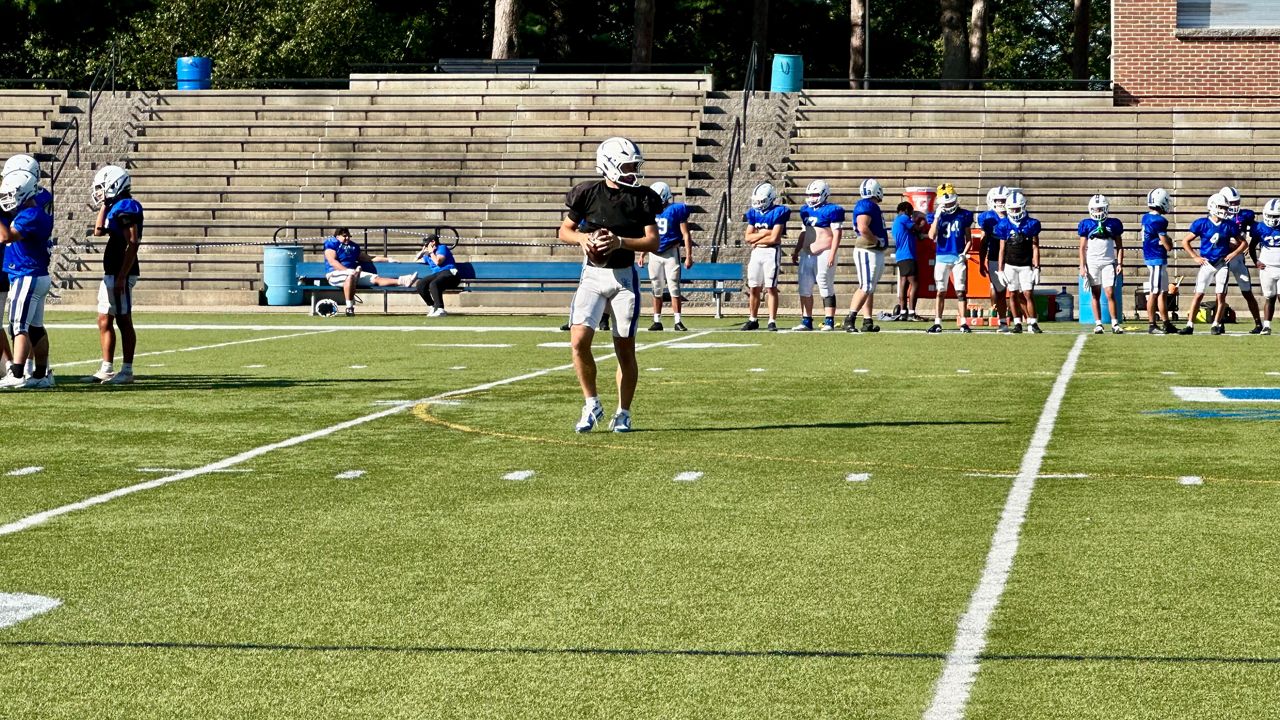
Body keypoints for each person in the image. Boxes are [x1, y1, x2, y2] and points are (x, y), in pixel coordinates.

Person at [558, 136, 661, 433]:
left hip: (624, 279)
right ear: (609, 166)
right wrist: (583, 239)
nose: (633, 172)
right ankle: (591, 403)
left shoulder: (642, 197)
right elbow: (565, 230)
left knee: (624, 350)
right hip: (592, 275)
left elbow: (652, 241)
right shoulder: (587, 193)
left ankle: (623, 411)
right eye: (628, 166)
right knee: (578, 341)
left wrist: (620, 242)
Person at [88, 165, 146, 384]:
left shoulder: (127, 206)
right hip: (111, 271)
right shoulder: (114, 205)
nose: (99, 192)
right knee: (104, 320)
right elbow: (98, 231)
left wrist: (123, 275)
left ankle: (127, 369)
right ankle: (107, 368)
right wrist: (103, 205)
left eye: (103, 188)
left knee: (123, 320)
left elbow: (133, 242)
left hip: (122, 270)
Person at [0, 169, 54, 389]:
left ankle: (17, 372)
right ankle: (41, 374)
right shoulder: (34, 213)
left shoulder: (30, 215)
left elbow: (5, 237)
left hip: (27, 275)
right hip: (36, 275)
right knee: (35, 327)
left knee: (18, 325)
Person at [1178, 193, 1240, 335]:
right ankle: (1189, 325)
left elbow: (1243, 243)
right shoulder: (1202, 223)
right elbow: (1185, 241)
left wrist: (1232, 254)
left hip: (1222, 263)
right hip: (1206, 263)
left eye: (1225, 207)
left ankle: (1216, 324)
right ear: (1212, 206)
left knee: (1220, 295)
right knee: (1198, 295)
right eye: (1221, 207)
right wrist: (1195, 257)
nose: (1224, 210)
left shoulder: (1228, 225)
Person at [323, 227, 418, 316]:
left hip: (353, 273)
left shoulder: (353, 247)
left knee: (375, 279)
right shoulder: (332, 243)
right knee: (351, 276)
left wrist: (388, 259)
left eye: (349, 236)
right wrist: (347, 271)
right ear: (337, 236)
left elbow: (368, 258)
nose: (347, 238)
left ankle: (403, 281)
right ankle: (349, 307)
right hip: (334, 273)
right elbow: (332, 261)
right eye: (345, 236)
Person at [794, 179, 843, 331]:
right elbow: (804, 232)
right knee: (804, 287)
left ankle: (829, 320)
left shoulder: (833, 210)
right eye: (809, 194)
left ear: (824, 194)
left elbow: (837, 234)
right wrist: (797, 250)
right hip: (807, 253)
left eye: (815, 194)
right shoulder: (805, 210)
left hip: (825, 251)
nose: (811, 197)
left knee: (825, 284)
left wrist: (832, 254)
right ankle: (806, 320)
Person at [926, 184, 975, 333]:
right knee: (941, 290)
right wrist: (936, 217)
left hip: (957, 256)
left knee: (960, 290)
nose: (949, 205)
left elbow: (969, 239)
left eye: (951, 202)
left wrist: (964, 253)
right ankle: (938, 322)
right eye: (946, 203)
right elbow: (931, 235)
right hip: (941, 257)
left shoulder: (964, 215)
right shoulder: (937, 216)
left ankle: (964, 322)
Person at [645, 181, 692, 331]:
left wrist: (689, 255)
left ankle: (677, 321)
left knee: (673, 287)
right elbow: (647, 235)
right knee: (656, 287)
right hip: (653, 253)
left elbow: (685, 234)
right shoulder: (650, 212)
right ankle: (656, 320)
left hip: (671, 252)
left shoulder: (676, 209)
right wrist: (642, 253)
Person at [742, 182, 789, 332]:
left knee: (771, 287)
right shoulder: (753, 213)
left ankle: (771, 320)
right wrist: (765, 233)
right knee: (754, 287)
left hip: (771, 252)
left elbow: (774, 238)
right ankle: (753, 319)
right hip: (756, 253)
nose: (759, 204)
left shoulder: (779, 212)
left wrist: (758, 235)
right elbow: (747, 237)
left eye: (762, 201)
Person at [1078, 194, 1126, 335]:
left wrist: (1120, 263)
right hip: (1092, 262)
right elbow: (1082, 248)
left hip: (1108, 262)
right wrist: (1082, 266)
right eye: (1096, 209)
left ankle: (1114, 323)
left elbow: (1120, 246)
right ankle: (1098, 323)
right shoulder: (1086, 224)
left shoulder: (1114, 223)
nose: (1098, 212)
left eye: (1100, 209)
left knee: (1110, 292)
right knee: (1095, 294)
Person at [995, 191, 1042, 334]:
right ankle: (1017, 323)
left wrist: (1037, 267)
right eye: (1012, 209)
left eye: (1017, 209)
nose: (1014, 212)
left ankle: (1033, 323)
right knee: (1013, 294)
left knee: (1028, 294)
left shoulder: (1032, 224)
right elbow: (1002, 249)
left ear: (1023, 207)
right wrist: (1001, 269)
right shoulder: (1004, 224)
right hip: (1010, 264)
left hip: (1026, 264)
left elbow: (1035, 246)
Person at [844, 178, 887, 333]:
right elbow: (862, 227)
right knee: (866, 286)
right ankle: (850, 318)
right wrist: (876, 240)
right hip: (867, 249)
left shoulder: (871, 205)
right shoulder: (866, 205)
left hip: (873, 250)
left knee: (870, 287)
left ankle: (867, 320)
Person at [1220, 186, 1265, 334]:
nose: (1235, 205)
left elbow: (1256, 230)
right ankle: (1218, 323)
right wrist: (1238, 245)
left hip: (1238, 258)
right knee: (1221, 291)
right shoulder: (1217, 217)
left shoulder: (1245, 215)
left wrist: (1249, 243)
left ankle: (1258, 323)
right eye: (1232, 202)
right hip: (1224, 256)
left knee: (1247, 291)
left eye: (1236, 202)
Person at [1141, 188, 1178, 335]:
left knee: (1162, 292)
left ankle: (1166, 323)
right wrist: (1169, 241)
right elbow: (1168, 246)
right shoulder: (1159, 220)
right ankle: (1152, 324)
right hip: (1156, 258)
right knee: (1155, 292)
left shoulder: (1146, 217)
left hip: (1154, 257)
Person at [978, 185, 1011, 332]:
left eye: (1003, 200)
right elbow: (984, 241)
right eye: (997, 200)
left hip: (1014, 256)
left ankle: (1026, 321)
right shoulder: (987, 218)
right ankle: (1002, 321)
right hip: (994, 256)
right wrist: (981, 260)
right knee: (999, 291)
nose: (1000, 203)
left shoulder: (1016, 214)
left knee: (1020, 291)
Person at [413, 236, 460, 318]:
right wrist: (422, 252)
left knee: (434, 284)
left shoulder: (442, 248)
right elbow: (415, 261)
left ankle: (440, 309)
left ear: (433, 242)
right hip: (437, 275)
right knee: (420, 284)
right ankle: (433, 307)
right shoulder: (428, 255)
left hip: (450, 273)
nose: (425, 246)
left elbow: (438, 262)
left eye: (427, 244)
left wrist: (431, 253)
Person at [1252, 198, 1280, 335]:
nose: (1272, 219)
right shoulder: (1260, 227)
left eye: (1276, 216)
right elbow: (1252, 246)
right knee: (1269, 297)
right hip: (1267, 267)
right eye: (1270, 216)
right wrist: (1256, 261)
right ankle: (1267, 326)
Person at [890, 201, 920, 321]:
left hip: (900, 255)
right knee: (915, 283)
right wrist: (921, 220)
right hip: (908, 255)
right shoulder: (904, 218)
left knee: (904, 282)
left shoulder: (896, 222)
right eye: (911, 212)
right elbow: (917, 228)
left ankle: (903, 312)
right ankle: (912, 313)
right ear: (907, 210)